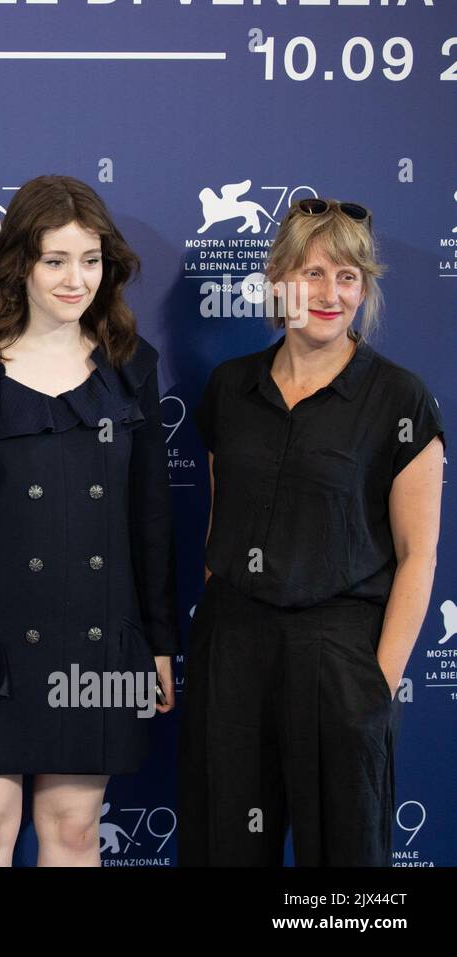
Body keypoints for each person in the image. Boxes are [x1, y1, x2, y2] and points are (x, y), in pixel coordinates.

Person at [0, 176, 179, 866]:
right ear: (20, 263)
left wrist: (157, 643)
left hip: (99, 639)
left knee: (75, 831)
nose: (75, 278)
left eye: (90, 260)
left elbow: (150, 517)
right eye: (55, 260)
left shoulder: (130, 369)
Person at [178, 198, 444, 866]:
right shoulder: (230, 388)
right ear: (277, 279)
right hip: (233, 652)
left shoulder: (399, 399)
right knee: (225, 849)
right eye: (313, 273)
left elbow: (418, 555)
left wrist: (375, 685)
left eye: (349, 277)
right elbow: (221, 518)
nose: (331, 294)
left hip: (340, 657)